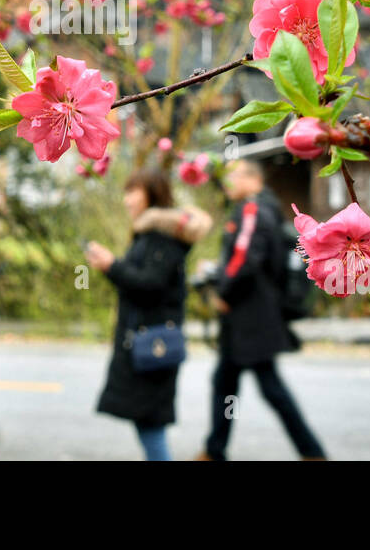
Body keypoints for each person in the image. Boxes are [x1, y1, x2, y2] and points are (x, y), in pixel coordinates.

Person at [197, 158, 327, 461]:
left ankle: (312, 452)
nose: (226, 184)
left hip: (250, 316)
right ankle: (215, 449)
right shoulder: (263, 207)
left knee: (271, 388)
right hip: (249, 315)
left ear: (252, 179)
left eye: (232, 177)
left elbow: (246, 257)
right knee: (227, 382)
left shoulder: (253, 209)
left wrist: (224, 292)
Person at [86, 169, 211, 460]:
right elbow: (143, 283)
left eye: (133, 191)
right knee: (148, 424)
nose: (126, 199)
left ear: (152, 193)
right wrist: (112, 267)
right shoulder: (151, 234)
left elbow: (150, 285)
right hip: (146, 342)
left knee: (150, 424)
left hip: (152, 346)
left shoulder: (160, 236)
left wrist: (111, 266)